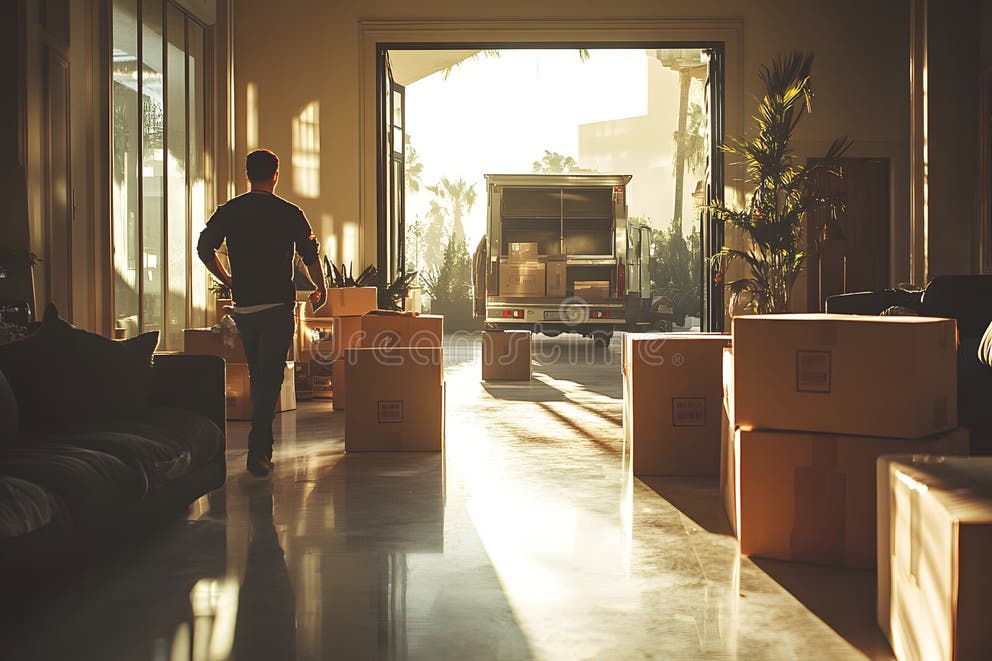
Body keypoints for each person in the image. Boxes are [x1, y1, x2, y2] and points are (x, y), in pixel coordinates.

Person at [197, 148, 326, 477]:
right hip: (277, 308)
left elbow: (204, 247)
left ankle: (260, 449)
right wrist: (320, 286)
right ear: (276, 175)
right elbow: (310, 254)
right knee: (269, 378)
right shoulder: (289, 213)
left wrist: (227, 279)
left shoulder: (230, 211)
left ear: (247, 174)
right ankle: (258, 451)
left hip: (246, 309)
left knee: (259, 376)